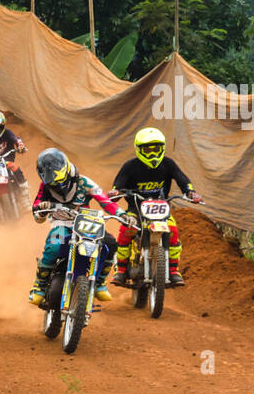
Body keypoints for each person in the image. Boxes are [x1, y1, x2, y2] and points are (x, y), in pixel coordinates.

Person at [110, 127, 204, 288]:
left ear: (162, 148)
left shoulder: (168, 164)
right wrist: (115, 192)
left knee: (173, 231)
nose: (153, 154)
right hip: (136, 210)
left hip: (161, 209)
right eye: (148, 149)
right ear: (139, 149)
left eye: (156, 149)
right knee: (126, 230)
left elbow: (182, 180)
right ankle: (122, 269)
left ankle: (173, 271)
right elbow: (118, 186)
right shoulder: (130, 166)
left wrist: (190, 192)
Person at [27, 148, 120, 305]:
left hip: (87, 222)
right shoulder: (45, 187)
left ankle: (99, 283)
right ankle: (39, 286)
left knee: (110, 244)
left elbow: (105, 201)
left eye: (56, 178)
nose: (55, 185)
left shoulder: (84, 182)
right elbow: (37, 208)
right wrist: (41, 209)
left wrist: (123, 215)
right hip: (61, 224)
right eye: (50, 179)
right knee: (54, 248)